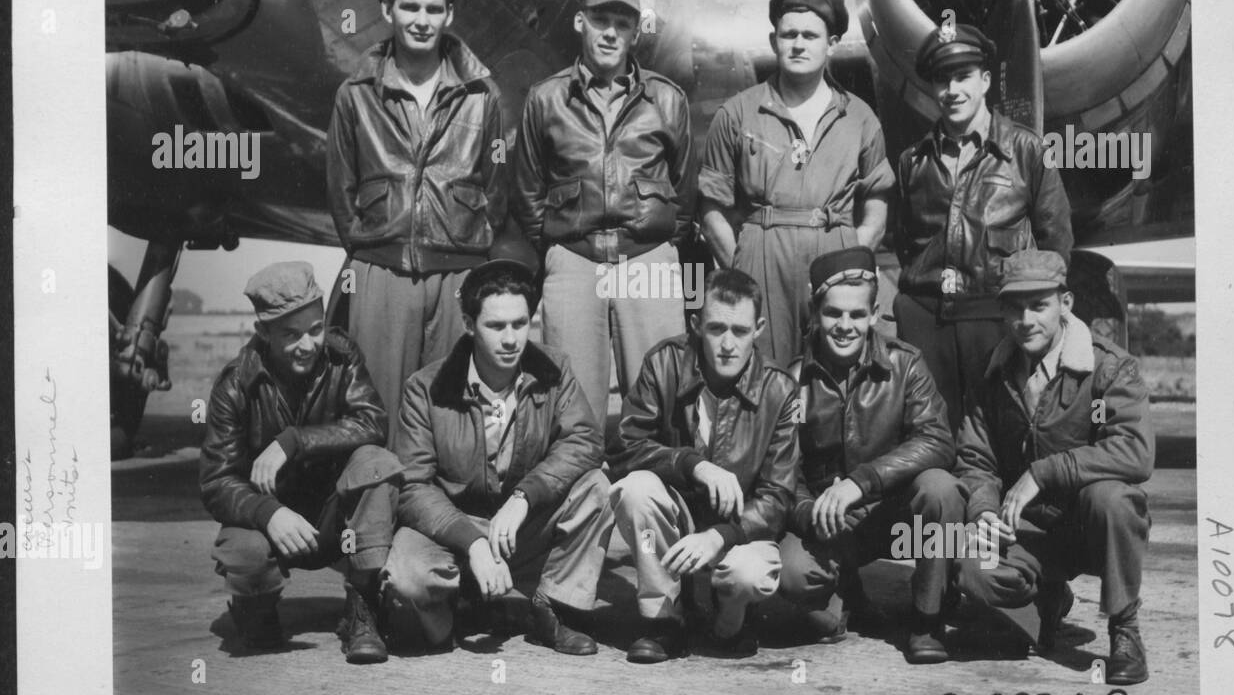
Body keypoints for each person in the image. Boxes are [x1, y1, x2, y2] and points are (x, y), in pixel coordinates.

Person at [384, 259, 612, 655]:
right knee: (407, 581)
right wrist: (472, 543)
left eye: (520, 324)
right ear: (469, 325)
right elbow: (413, 486)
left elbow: (584, 440)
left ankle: (552, 609)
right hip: (453, 528)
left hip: (521, 528)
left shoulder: (554, 370)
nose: (511, 339)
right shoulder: (425, 389)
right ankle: (461, 604)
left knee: (597, 488)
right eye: (495, 326)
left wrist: (525, 497)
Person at [948, 250, 1155, 684]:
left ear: (1066, 303)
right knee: (972, 566)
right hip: (1028, 529)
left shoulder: (1108, 367)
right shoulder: (991, 374)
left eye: (1039, 305)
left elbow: (1134, 450)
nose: (1026, 319)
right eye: (1014, 307)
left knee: (1114, 497)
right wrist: (984, 511)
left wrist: (1044, 471)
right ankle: (1043, 601)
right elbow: (975, 458)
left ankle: (1124, 629)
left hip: (1088, 525)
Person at [327, 0, 506, 433]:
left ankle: (442, 512)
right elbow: (341, 191)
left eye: (433, 8)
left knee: (450, 419)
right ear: (387, 10)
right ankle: (378, 509)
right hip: (381, 273)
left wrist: (467, 242)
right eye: (409, 7)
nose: (421, 20)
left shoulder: (482, 95)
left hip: (458, 274)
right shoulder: (355, 94)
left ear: (449, 14)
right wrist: (374, 249)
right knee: (377, 415)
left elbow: (499, 189)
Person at [512, 0, 697, 438]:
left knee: (661, 399)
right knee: (573, 408)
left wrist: (657, 247)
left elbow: (685, 193)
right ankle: (581, 501)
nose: (610, 33)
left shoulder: (668, 99)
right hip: (576, 260)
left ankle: (659, 498)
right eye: (600, 20)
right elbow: (527, 190)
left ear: (636, 33)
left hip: (647, 260)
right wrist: (560, 248)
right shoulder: (545, 98)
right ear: (581, 23)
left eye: (622, 23)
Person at [201, 262, 399, 664]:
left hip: (333, 520)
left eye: (315, 329)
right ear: (263, 333)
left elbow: (372, 422)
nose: (308, 345)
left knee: (376, 462)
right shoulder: (235, 384)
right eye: (291, 335)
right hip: (272, 525)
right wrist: (267, 511)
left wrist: (294, 441)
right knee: (247, 561)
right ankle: (255, 604)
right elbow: (216, 480)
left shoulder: (342, 359)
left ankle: (362, 607)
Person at [778, 247, 964, 663]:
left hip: (891, 513)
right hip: (831, 521)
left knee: (941, 489)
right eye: (833, 314)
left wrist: (862, 482)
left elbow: (938, 440)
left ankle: (928, 617)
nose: (845, 326)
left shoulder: (906, 364)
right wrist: (809, 511)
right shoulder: (791, 380)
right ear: (814, 312)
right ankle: (845, 592)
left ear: (875, 314)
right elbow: (781, 470)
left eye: (857, 315)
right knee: (792, 576)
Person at [698, 0, 893, 365]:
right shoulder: (737, 113)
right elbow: (711, 207)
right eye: (788, 34)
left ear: (832, 43)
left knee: (835, 377)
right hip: (761, 257)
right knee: (764, 377)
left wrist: (851, 265)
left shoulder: (859, 117)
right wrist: (741, 266)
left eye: (810, 35)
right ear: (774, 41)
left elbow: (876, 202)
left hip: (836, 259)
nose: (798, 44)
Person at [609, 269, 800, 662]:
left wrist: (720, 536)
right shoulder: (663, 363)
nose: (728, 344)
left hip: (739, 530)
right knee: (634, 491)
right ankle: (663, 618)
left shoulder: (779, 389)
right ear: (696, 325)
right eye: (716, 329)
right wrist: (692, 464)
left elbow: (778, 496)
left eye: (740, 331)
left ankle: (731, 620)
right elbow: (625, 447)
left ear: (759, 328)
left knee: (748, 575)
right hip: (673, 524)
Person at [893, 22, 1073, 432]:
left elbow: (1055, 244)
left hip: (997, 320)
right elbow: (906, 242)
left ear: (986, 80)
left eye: (963, 76)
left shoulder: (1029, 152)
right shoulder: (912, 162)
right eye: (942, 80)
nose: (952, 90)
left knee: (1004, 437)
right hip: (927, 323)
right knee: (930, 437)